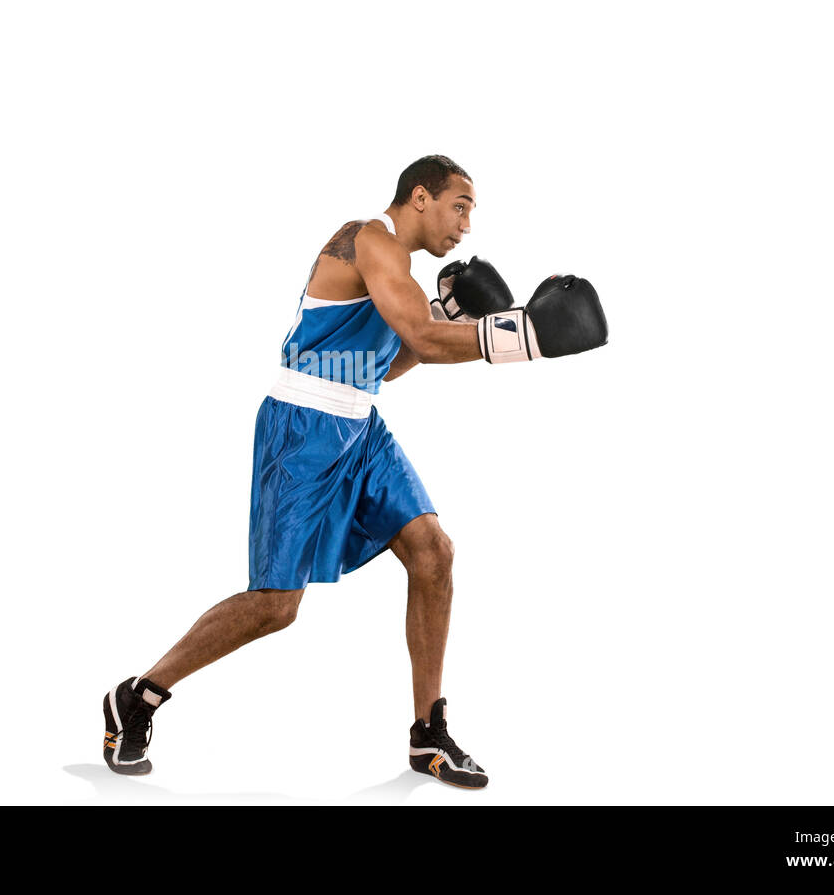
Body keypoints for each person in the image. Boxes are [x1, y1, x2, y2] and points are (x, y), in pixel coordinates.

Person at [104, 155, 607, 789]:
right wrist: (524, 336)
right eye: (460, 206)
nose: (467, 226)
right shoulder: (369, 240)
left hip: (360, 424)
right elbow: (421, 339)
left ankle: (428, 734)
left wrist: (453, 319)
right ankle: (140, 694)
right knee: (275, 607)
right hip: (303, 427)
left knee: (434, 553)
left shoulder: (403, 278)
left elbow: (393, 363)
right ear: (419, 197)